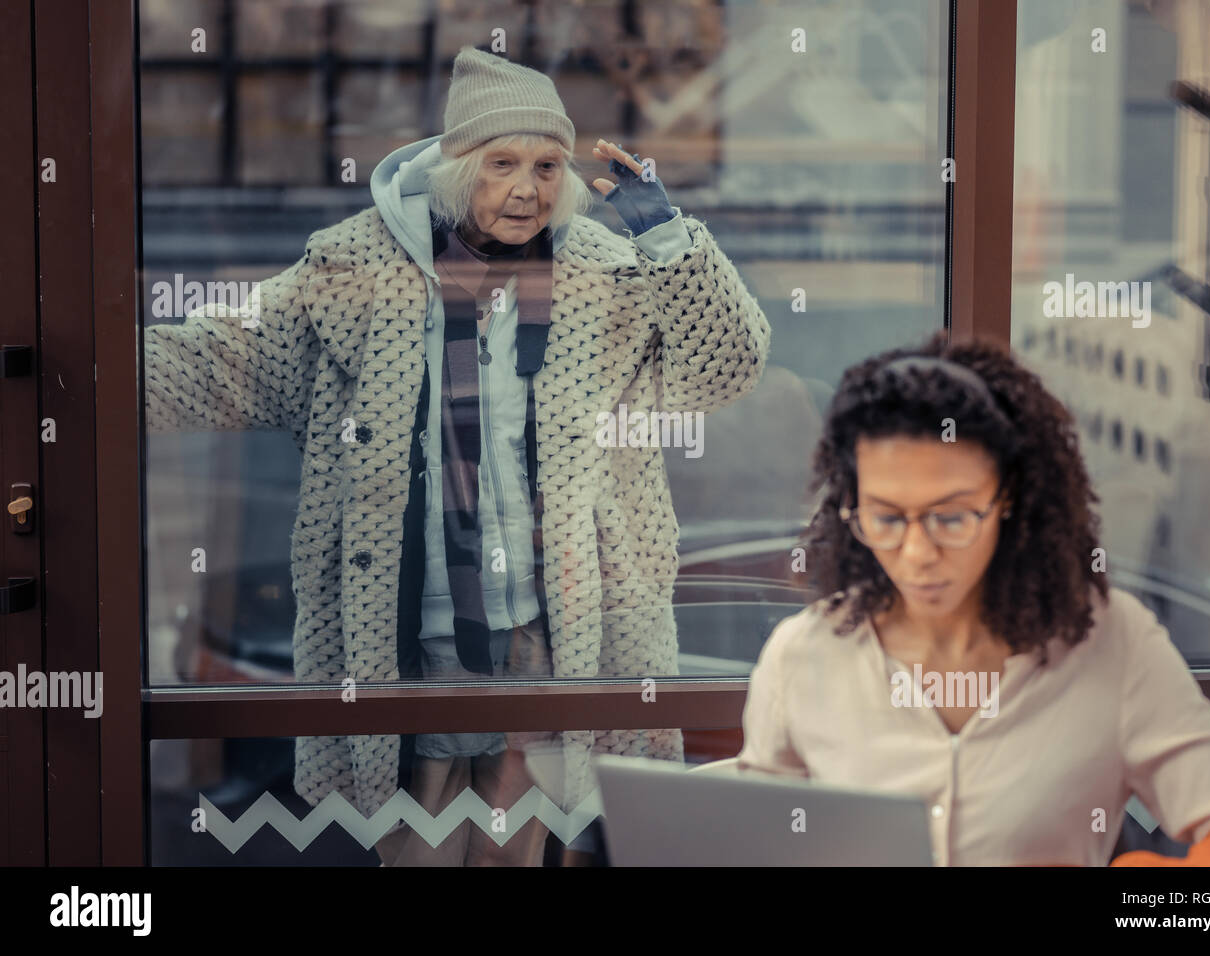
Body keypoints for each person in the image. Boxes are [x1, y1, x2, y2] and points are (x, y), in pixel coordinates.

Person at [145, 45, 771, 865]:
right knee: (418, 852)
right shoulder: (352, 267)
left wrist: (667, 238)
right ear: (454, 166)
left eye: (548, 165)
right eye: (502, 162)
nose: (527, 188)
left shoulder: (611, 276)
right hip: (416, 636)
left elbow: (729, 362)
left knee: (519, 853)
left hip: (553, 636)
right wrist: (73, 375)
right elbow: (216, 360)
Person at [736, 332, 1210, 866]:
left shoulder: (1112, 642)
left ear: (1009, 499)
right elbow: (751, 844)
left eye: (952, 517)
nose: (916, 553)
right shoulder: (802, 655)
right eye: (885, 517)